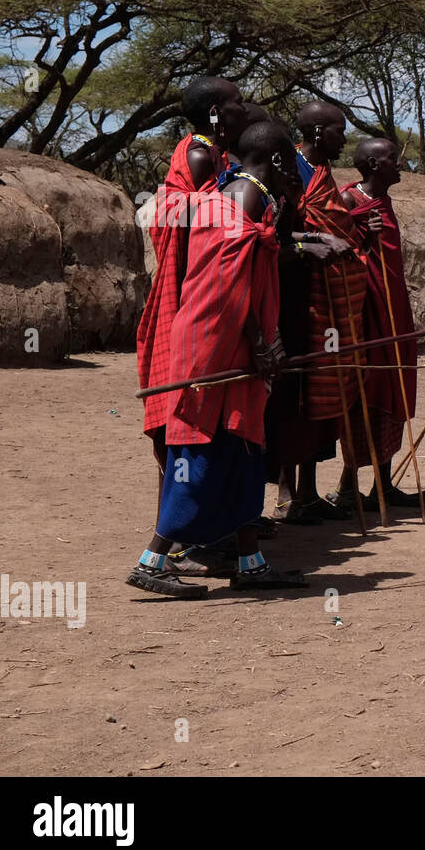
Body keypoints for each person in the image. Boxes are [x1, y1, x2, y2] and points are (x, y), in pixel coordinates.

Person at [127, 123, 309, 597]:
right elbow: (231, 285)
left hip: (225, 339)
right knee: (202, 448)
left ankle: (250, 562)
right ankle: (152, 558)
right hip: (216, 342)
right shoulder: (247, 196)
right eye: (289, 160)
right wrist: (262, 344)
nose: (295, 169)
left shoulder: (237, 193)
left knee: (241, 444)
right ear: (273, 160)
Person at [134, 77, 249, 567]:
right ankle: (177, 536)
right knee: (186, 416)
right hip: (189, 300)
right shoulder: (201, 157)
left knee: (206, 419)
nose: (243, 108)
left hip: (200, 297)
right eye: (235, 102)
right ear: (216, 114)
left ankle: (205, 531)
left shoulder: (219, 159)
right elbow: (208, 236)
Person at [265, 101, 365, 522]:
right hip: (294, 296)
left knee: (323, 390)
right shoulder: (294, 170)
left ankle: (309, 490)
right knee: (294, 393)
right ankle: (288, 493)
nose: (346, 138)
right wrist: (318, 239)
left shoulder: (323, 174)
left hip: (324, 298)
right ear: (319, 131)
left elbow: (340, 229)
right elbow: (278, 233)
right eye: (340, 130)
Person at [333, 137, 425, 509]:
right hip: (365, 312)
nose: (399, 164)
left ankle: (382, 486)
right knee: (366, 392)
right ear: (373, 165)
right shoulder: (348, 201)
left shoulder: (383, 202)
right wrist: (360, 236)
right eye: (392, 159)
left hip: (392, 311)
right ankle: (346, 487)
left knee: (393, 389)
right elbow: (336, 252)